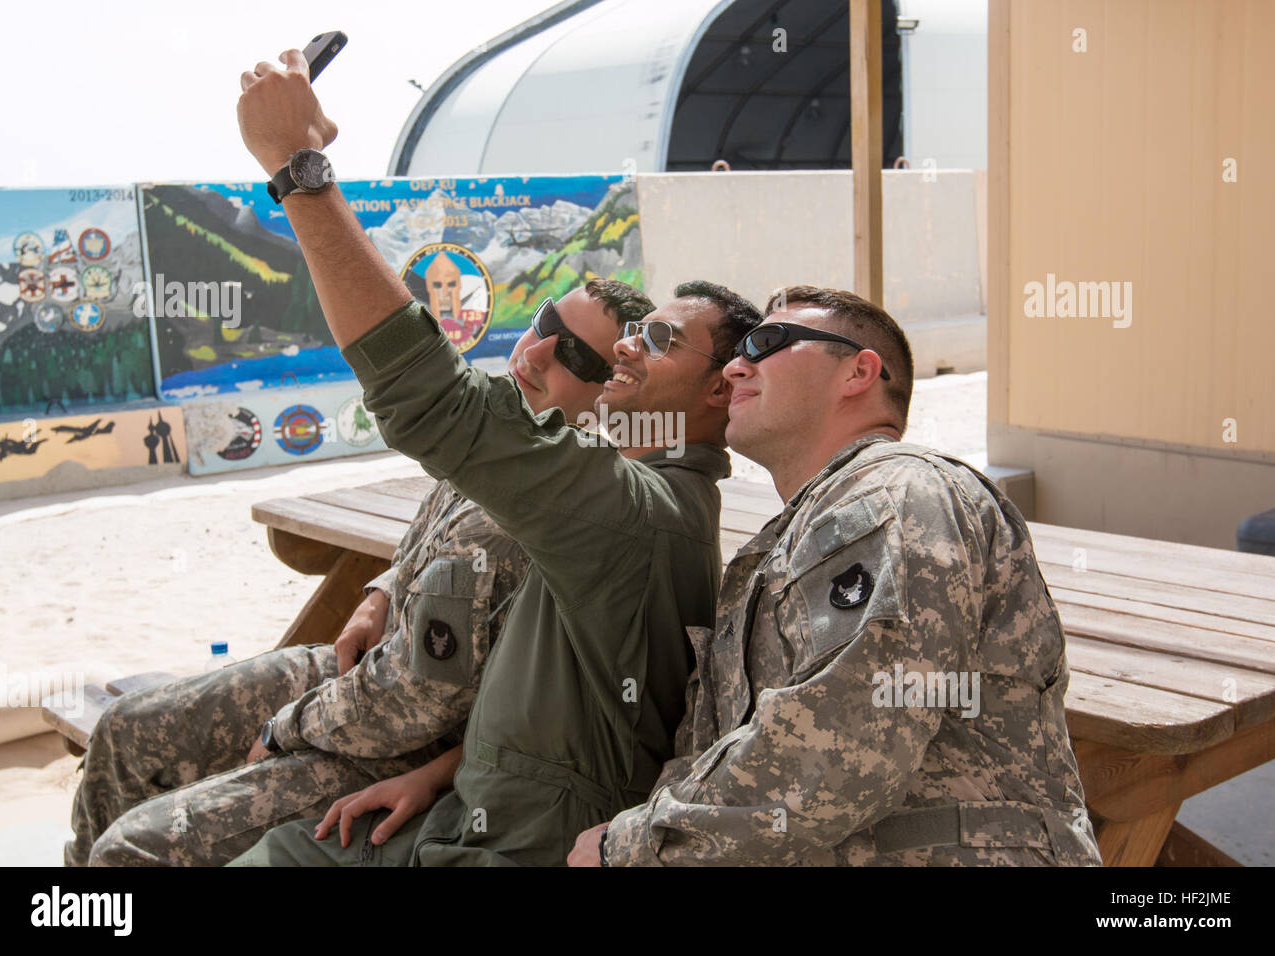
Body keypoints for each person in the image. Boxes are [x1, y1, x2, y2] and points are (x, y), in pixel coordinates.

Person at [222, 49, 763, 865]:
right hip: (463, 809)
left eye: (657, 340)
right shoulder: (647, 496)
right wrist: (440, 774)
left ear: (720, 391)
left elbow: (433, 400)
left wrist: (300, 174)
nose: (625, 351)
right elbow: (570, 699)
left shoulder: (636, 510)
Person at [72, 279, 648, 866]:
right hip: (370, 680)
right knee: (124, 730)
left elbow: (418, 697)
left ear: (612, 388)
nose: (537, 351)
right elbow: (427, 550)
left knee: (134, 849)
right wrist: (381, 590)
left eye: (574, 355)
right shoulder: (506, 433)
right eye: (547, 323)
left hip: (420, 738)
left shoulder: (538, 494)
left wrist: (284, 729)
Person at [570, 286, 1104, 866]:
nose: (735, 364)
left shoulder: (897, 492)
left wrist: (629, 848)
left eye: (767, 342)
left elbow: (843, 743)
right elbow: (712, 755)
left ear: (858, 371)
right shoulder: (788, 542)